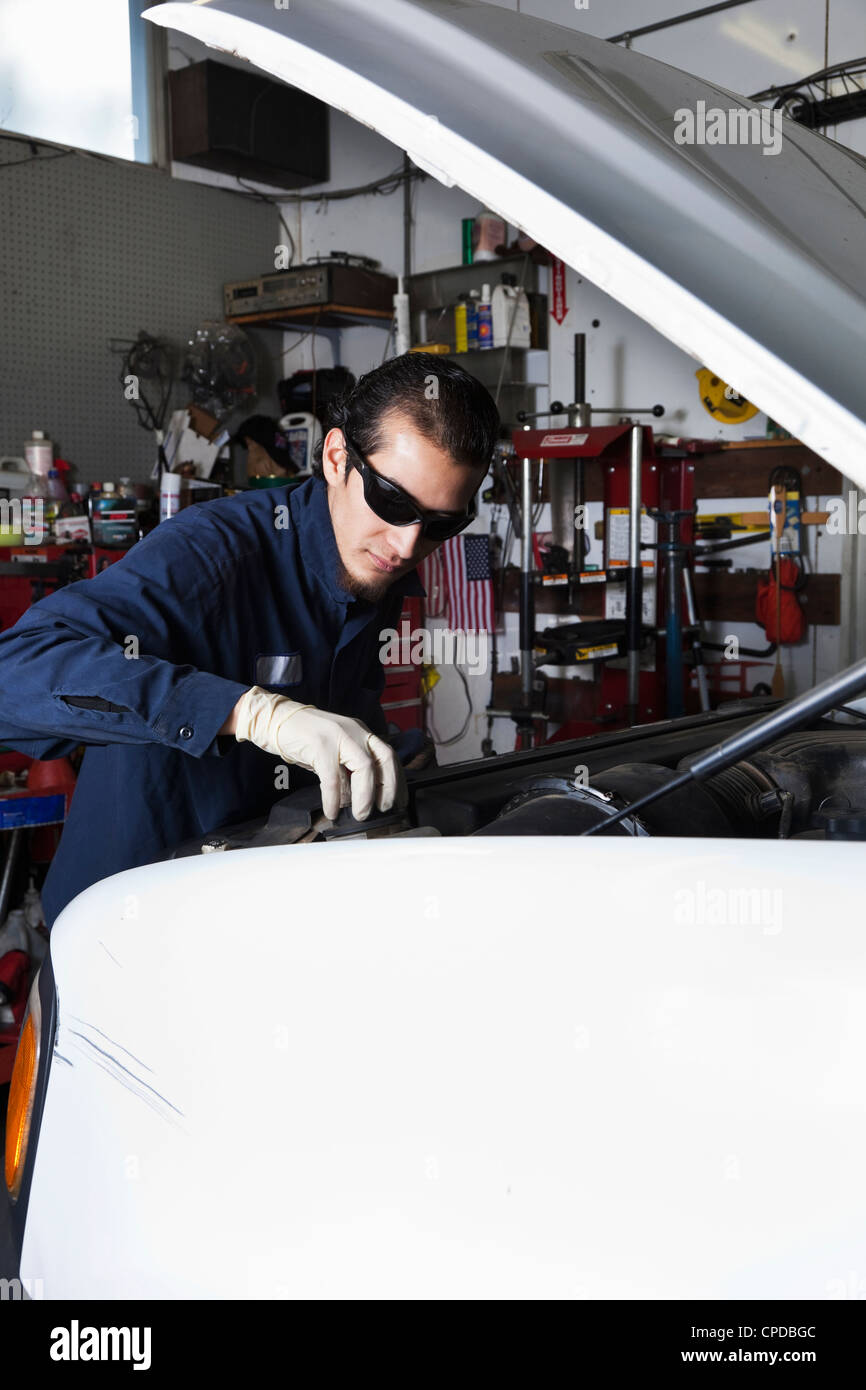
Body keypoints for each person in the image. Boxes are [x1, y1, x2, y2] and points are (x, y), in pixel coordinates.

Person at [0, 352, 500, 928]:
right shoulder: (213, 552)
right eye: (392, 501)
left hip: (256, 918)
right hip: (127, 927)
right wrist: (249, 712)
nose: (408, 544)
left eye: (440, 524)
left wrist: (384, 752)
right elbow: (17, 669)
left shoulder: (374, 563)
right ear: (337, 457)